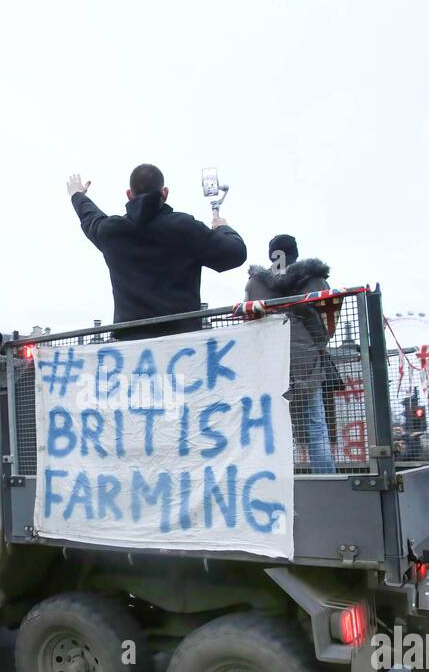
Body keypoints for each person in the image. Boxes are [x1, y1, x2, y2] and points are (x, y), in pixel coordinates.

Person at [67, 164, 247, 340]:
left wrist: (77, 195)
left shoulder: (112, 232)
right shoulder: (185, 227)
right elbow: (235, 254)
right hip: (182, 342)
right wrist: (222, 228)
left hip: (131, 344)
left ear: (129, 195)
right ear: (165, 193)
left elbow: (90, 217)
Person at [244, 235, 335, 472]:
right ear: (295, 253)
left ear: (270, 255)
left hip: (270, 359)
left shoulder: (255, 284)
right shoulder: (313, 280)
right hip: (306, 357)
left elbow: (249, 321)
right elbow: (328, 321)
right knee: (315, 423)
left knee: (276, 424)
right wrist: (317, 342)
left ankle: (281, 482)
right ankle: (325, 481)